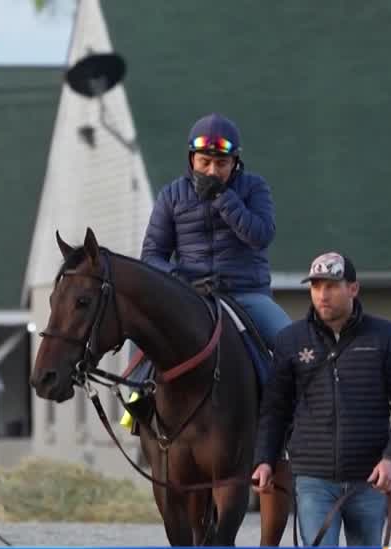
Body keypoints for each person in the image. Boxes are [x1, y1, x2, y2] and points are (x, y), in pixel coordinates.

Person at [121, 112, 291, 432]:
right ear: (192, 159)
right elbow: (152, 254)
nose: (212, 170)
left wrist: (223, 198)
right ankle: (137, 401)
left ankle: (296, 421)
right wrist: (179, 279)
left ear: (235, 163)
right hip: (190, 292)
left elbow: (260, 235)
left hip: (245, 293)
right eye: (204, 162)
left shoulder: (254, 188)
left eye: (221, 164)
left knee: (292, 343)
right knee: (139, 326)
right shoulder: (171, 195)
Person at [251, 252, 391, 546]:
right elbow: (274, 410)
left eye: (332, 286)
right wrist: (264, 460)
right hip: (312, 480)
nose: (323, 295)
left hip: (370, 480)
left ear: (353, 289)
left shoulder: (386, 337)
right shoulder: (290, 341)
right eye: (316, 286)